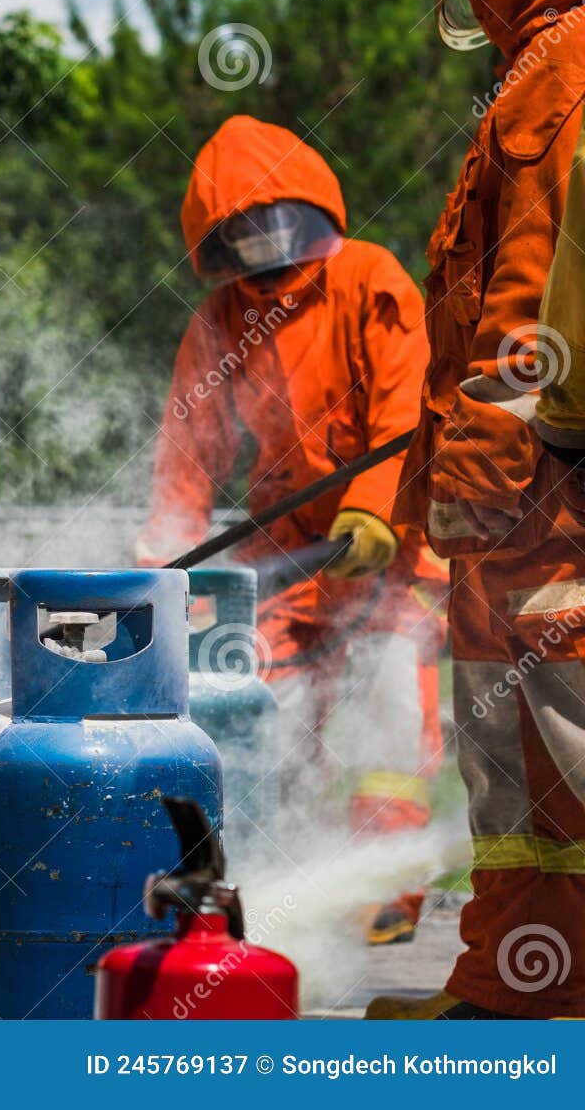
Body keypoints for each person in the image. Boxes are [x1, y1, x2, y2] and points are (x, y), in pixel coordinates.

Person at [139, 115, 448, 945]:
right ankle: (275, 882)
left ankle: (387, 887)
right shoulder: (217, 323)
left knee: (385, 710)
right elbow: (187, 457)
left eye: (279, 221)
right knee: (262, 712)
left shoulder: (372, 279)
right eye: (242, 231)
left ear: (316, 208)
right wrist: (166, 572)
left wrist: (374, 508)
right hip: (287, 555)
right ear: (216, 241)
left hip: (388, 542)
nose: (266, 246)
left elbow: (405, 411)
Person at [377, 0, 585, 1020]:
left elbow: (530, 286)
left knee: (563, 743)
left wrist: (484, 459)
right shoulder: (533, 64)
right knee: (518, 771)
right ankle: (514, 979)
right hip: (516, 488)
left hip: (539, 486)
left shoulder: (566, 64)